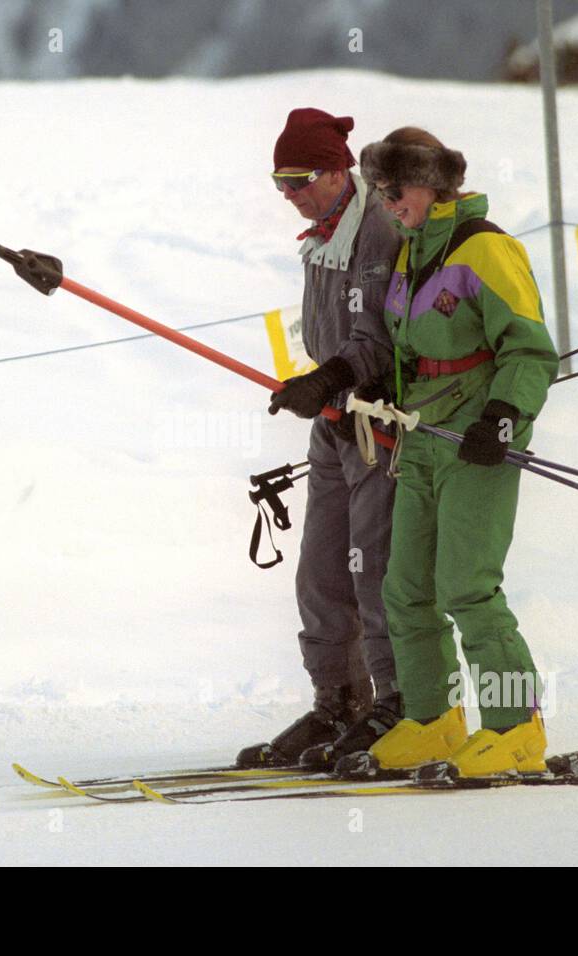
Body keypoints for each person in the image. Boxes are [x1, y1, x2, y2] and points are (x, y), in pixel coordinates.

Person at [343, 126, 559, 778]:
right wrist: (382, 389)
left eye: (397, 189)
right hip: (424, 435)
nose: (389, 202)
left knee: (468, 587)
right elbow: (415, 346)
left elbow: (528, 346)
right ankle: (435, 721)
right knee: (406, 588)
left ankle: (514, 726)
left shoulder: (486, 250)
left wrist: (503, 416)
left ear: (435, 185)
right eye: (380, 192)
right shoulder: (413, 253)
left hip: (477, 436)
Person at [237, 108, 403, 770]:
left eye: (299, 178)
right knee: (320, 570)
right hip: (333, 422)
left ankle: (397, 703)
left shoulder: (377, 231)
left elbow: (375, 343)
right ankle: (338, 702)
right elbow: (331, 336)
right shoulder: (322, 236)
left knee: (374, 569)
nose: (289, 193)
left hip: (375, 424)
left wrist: (328, 378)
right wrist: (316, 385)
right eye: (279, 180)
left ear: (339, 171)